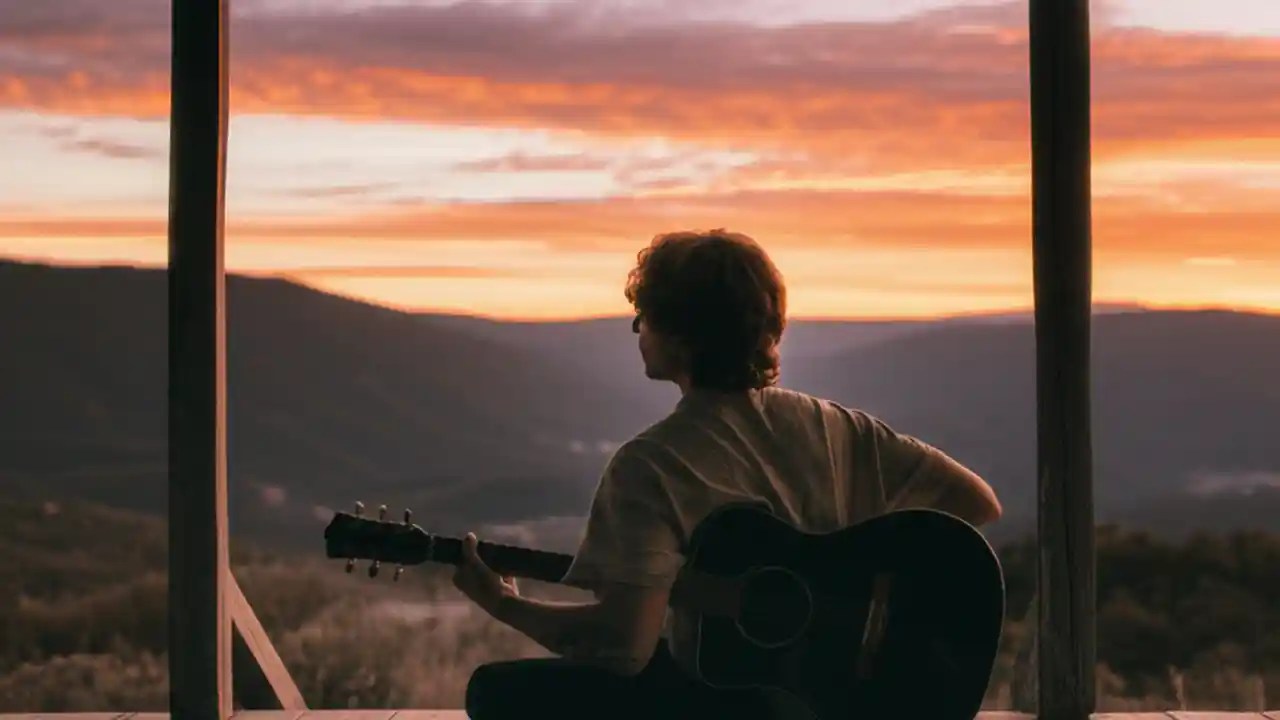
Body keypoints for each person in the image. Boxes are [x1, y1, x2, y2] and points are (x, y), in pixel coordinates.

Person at [451, 228, 1003, 719]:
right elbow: (976, 502)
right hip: (841, 699)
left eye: (644, 317)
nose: (638, 330)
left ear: (680, 336)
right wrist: (857, 573)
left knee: (496, 694)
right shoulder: (838, 426)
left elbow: (623, 649)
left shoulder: (651, 465)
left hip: (732, 706)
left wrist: (503, 603)